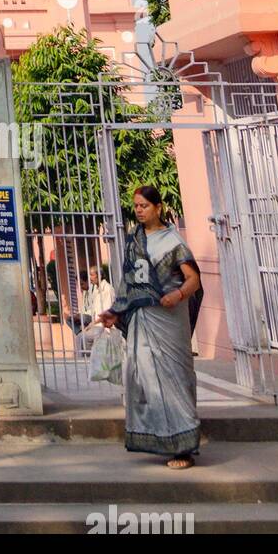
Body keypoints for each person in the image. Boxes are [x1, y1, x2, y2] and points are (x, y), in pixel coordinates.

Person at [97, 185, 202, 470]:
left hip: (168, 321)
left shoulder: (173, 242)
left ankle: (183, 447)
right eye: (136, 206)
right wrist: (115, 311)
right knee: (144, 379)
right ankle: (160, 439)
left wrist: (178, 295)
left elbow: (193, 279)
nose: (139, 210)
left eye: (144, 205)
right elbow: (129, 283)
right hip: (142, 320)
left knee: (174, 379)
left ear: (158, 207)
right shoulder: (134, 240)